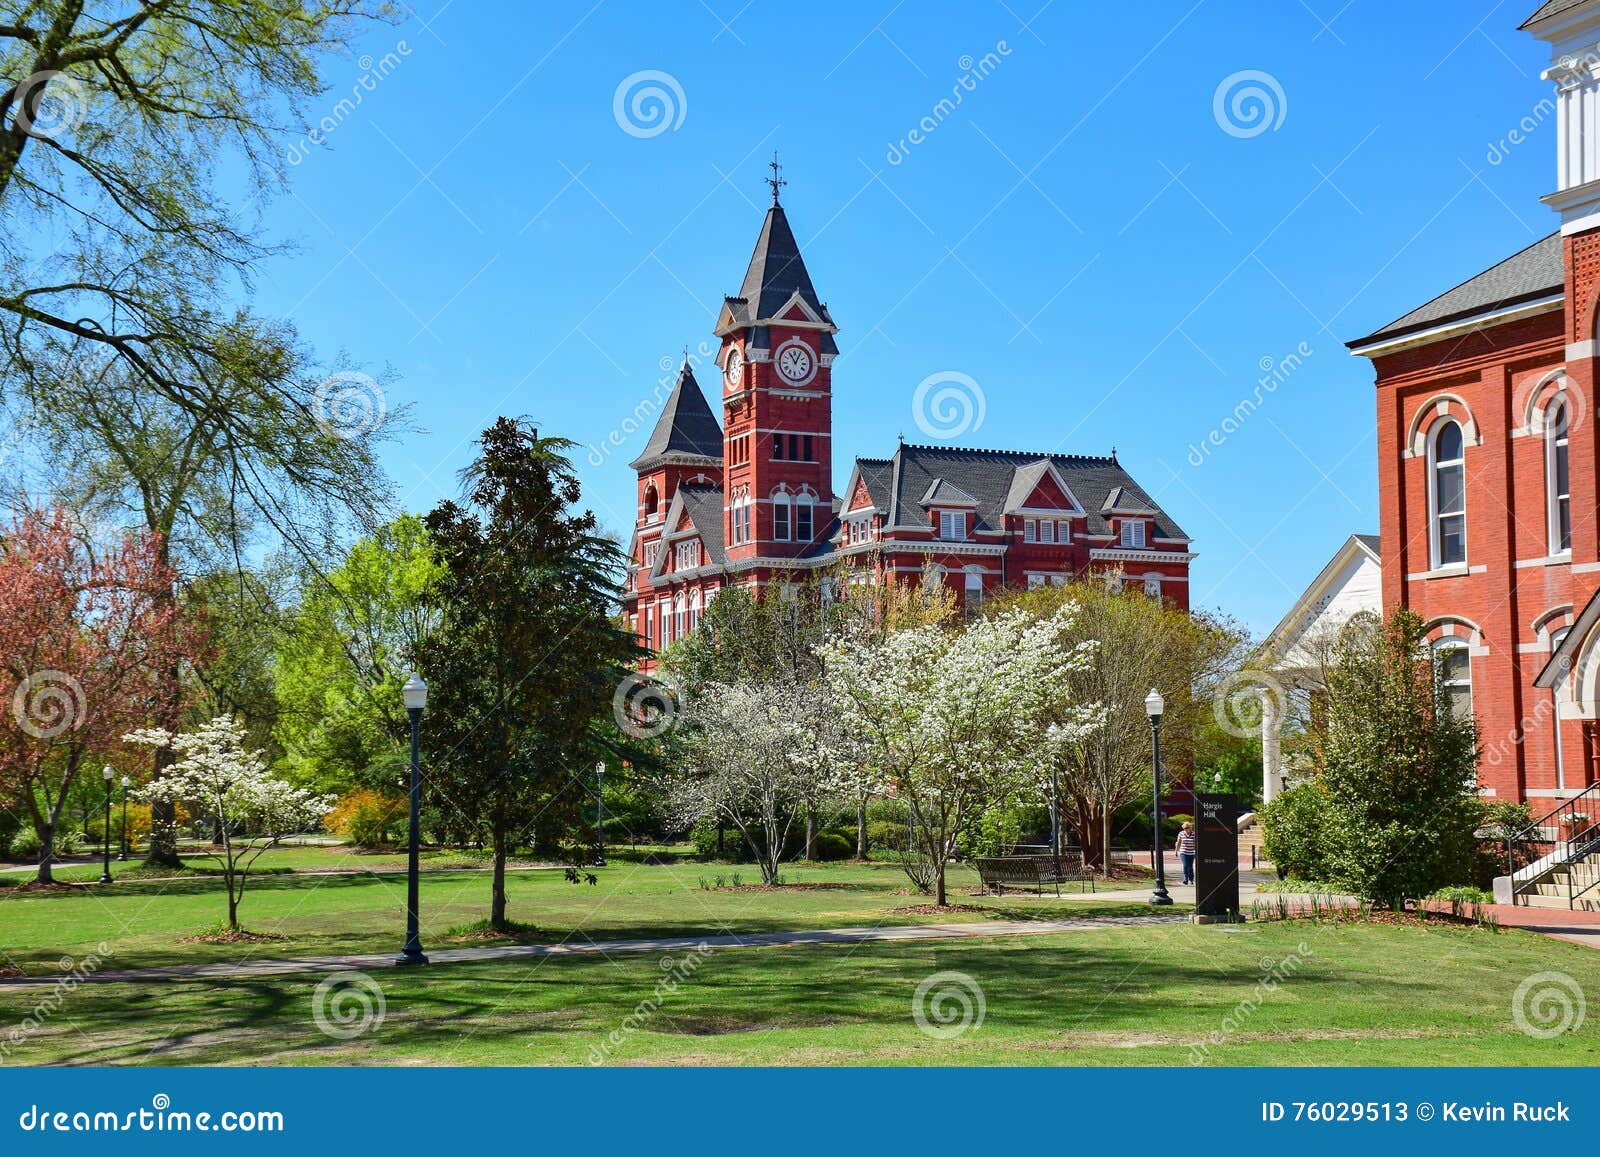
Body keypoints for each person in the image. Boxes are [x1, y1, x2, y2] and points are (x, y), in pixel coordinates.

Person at [1175, 821, 1196, 885]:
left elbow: (1196, 843)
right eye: (1184, 828)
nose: (1186, 829)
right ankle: (1185, 879)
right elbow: (1178, 842)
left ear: (1190, 827)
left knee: (1190, 867)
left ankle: (1191, 879)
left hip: (1191, 852)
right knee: (1185, 865)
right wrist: (1176, 851)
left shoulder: (1194, 834)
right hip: (1183, 852)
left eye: (1187, 828)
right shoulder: (1181, 833)